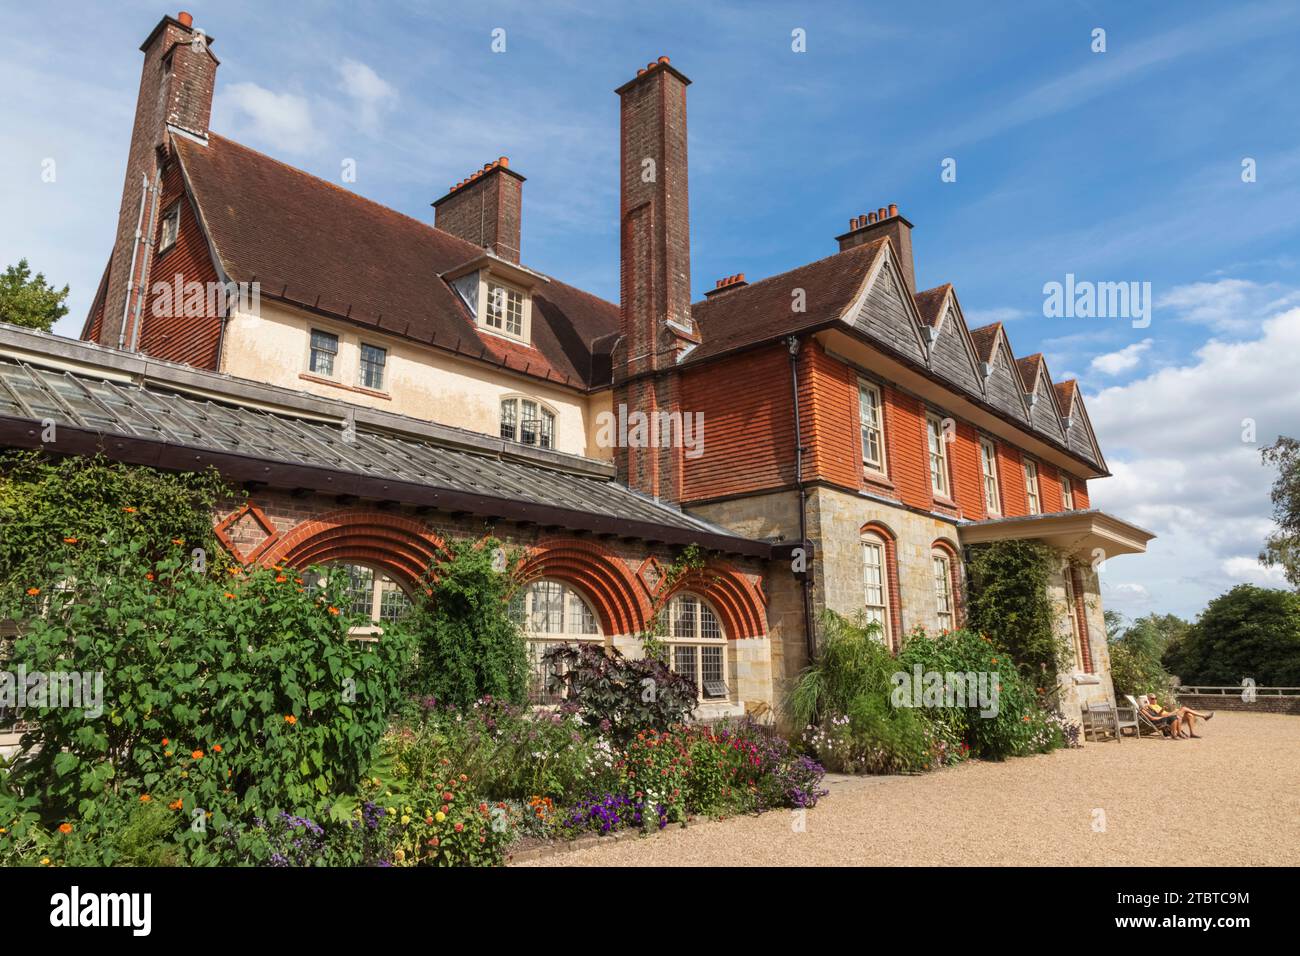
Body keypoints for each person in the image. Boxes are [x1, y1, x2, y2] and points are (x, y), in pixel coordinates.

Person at [1147, 695, 1214, 738]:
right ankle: (1204, 716)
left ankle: (1192, 733)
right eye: (1153, 698)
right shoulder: (1149, 706)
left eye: (1156, 698)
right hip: (1167, 718)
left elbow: (1163, 712)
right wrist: (1169, 711)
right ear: (1149, 699)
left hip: (1169, 714)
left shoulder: (1157, 705)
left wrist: (1168, 710)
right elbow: (1159, 716)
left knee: (1189, 715)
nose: (1155, 699)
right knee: (1184, 708)